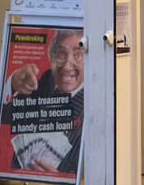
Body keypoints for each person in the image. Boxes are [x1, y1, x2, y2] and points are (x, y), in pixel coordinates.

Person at [6, 28, 85, 175]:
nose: (67, 66)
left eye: (78, 55)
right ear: (52, 57)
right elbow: (3, 117)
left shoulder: (95, 103)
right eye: (61, 53)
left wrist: (60, 178)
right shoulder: (43, 81)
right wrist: (12, 83)